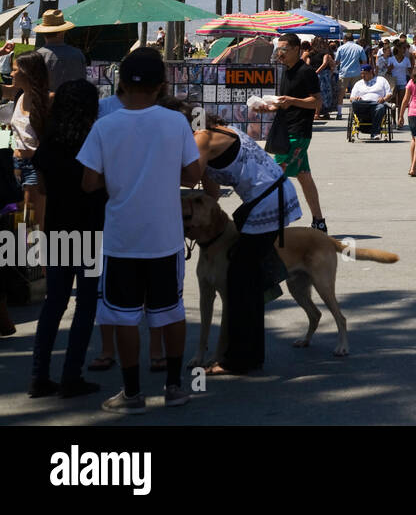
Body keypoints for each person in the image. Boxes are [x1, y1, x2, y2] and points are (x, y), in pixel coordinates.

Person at [77, 48, 202, 413]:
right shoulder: (175, 123)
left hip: (121, 238)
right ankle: (175, 387)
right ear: (161, 85)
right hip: (165, 237)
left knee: (123, 315)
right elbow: (194, 175)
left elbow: (88, 182)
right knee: (170, 310)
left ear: (120, 85)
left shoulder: (104, 126)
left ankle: (131, 394)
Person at [190, 107, 303, 376]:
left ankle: (236, 360)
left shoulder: (202, 138)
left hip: (266, 204)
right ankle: (250, 356)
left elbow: (188, 177)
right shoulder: (215, 135)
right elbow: (211, 193)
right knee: (246, 282)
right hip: (269, 198)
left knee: (241, 283)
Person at [29, 79, 106, 399]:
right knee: (86, 305)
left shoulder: (49, 142)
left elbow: (43, 191)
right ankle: (71, 375)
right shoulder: (96, 140)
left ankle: (39, 376)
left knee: (54, 305)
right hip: (89, 230)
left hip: (57, 230)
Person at [267, 34, 326, 234]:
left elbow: (317, 102)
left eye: (284, 49)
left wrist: (292, 101)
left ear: (296, 49)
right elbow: (286, 102)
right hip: (286, 130)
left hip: (297, 133)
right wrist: (269, 107)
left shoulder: (306, 72)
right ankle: (319, 221)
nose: (280, 53)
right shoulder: (286, 71)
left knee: (274, 175)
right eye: (278, 49)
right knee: (304, 176)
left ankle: (273, 223)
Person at [10, 51, 51, 228]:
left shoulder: (48, 100)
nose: (11, 74)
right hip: (16, 165)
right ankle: (23, 253)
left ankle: (34, 254)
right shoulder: (19, 96)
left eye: (15, 70)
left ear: (26, 73)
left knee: (32, 219)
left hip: (35, 166)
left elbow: (53, 138)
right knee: (20, 217)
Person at [34, 10, 87, 91]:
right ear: (63, 31)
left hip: (46, 102)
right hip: (74, 101)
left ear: (43, 32)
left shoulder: (37, 56)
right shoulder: (77, 54)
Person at [350, 62, 394, 139]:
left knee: (380, 107)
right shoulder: (358, 83)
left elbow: (389, 94)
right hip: (363, 107)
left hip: (377, 106)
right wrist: (356, 98)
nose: (362, 76)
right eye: (361, 74)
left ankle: (375, 133)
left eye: (365, 74)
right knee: (355, 102)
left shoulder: (381, 80)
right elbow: (351, 98)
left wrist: (384, 99)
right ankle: (379, 104)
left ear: (371, 72)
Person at [335, 33, 365, 102]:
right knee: (356, 93)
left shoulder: (341, 48)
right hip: (356, 72)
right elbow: (364, 61)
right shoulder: (359, 48)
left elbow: (337, 61)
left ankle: (339, 112)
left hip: (344, 72)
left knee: (341, 93)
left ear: (345, 39)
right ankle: (354, 110)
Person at [313, 37, 336, 120]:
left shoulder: (311, 53)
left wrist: (314, 72)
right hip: (323, 75)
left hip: (317, 74)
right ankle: (322, 112)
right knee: (324, 94)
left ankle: (318, 113)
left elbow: (326, 63)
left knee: (318, 93)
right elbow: (326, 63)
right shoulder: (325, 53)